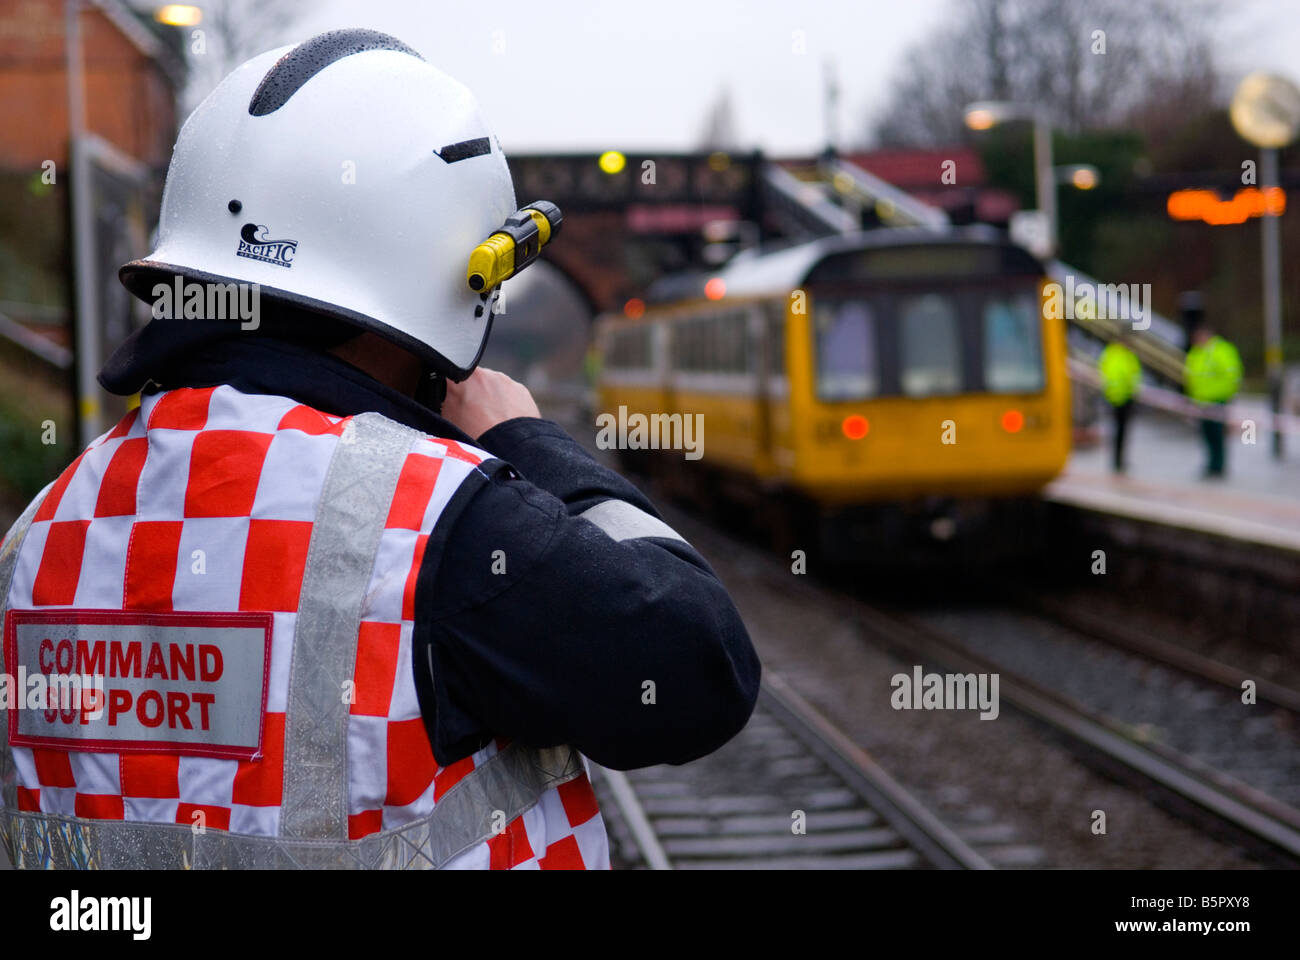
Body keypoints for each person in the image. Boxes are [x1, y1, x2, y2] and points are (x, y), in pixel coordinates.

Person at [0, 30, 759, 870]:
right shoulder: (435, 522)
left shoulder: (38, 536)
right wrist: (528, 442)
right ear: (455, 277)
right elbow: (702, 667)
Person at [1184, 322, 1243, 478]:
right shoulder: (1196, 353)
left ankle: (1219, 466)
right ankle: (1210, 464)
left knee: (1217, 434)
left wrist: (1228, 393)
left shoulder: (1221, 350)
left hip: (1218, 399)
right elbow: (1192, 377)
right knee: (1206, 434)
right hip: (1202, 401)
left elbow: (1232, 373)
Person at [1097, 337, 1142, 472]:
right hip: (1116, 397)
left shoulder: (1122, 355)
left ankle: (1120, 460)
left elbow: (1134, 375)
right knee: (1118, 431)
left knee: (1122, 431)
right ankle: (1117, 460)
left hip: (1124, 397)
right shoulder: (1116, 354)